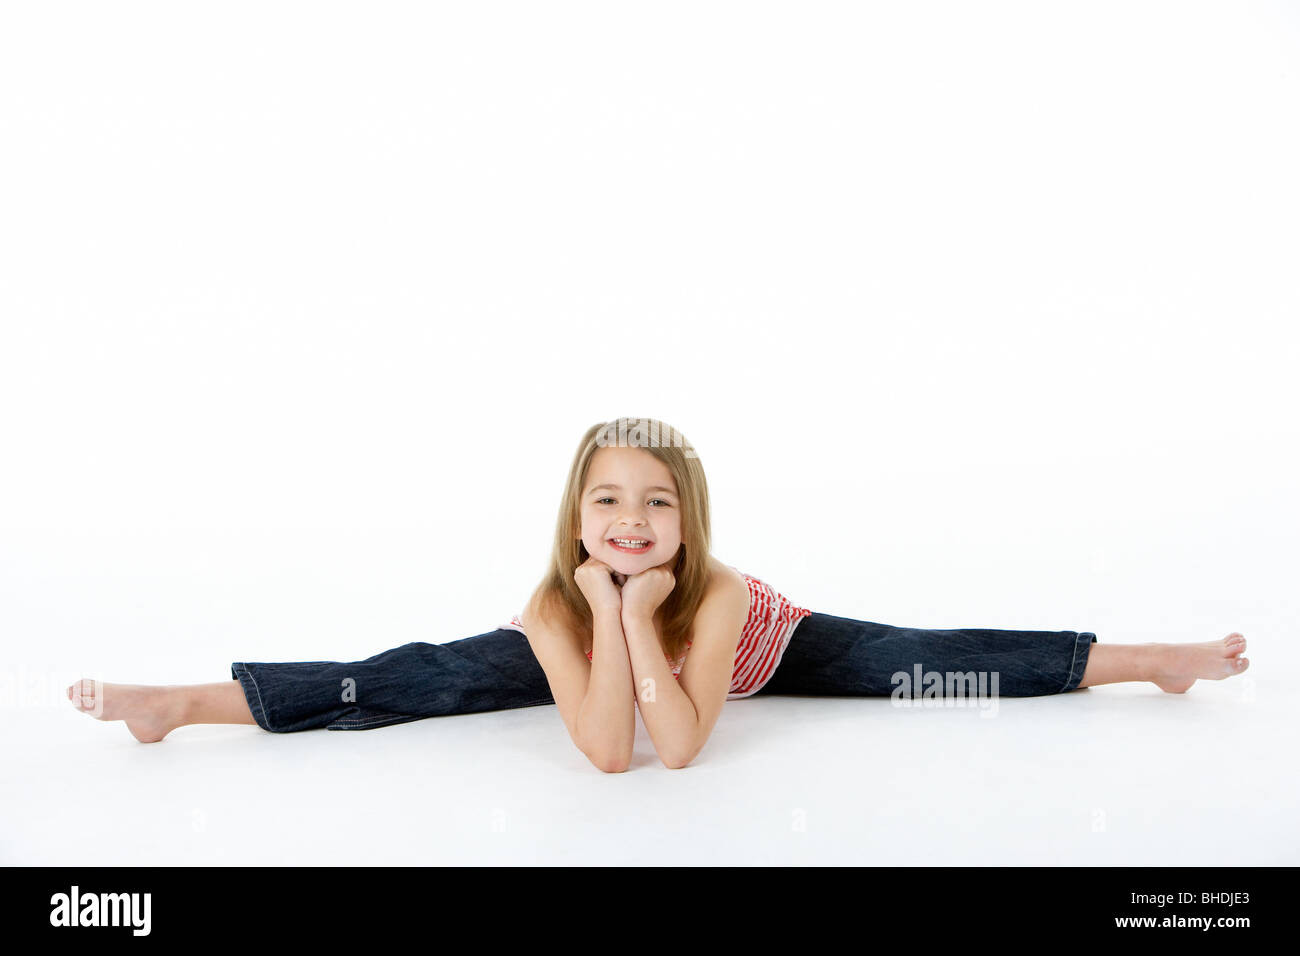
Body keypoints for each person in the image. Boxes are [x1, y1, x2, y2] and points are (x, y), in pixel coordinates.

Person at [67, 416, 1250, 771]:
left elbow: (678, 747)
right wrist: (602, 614)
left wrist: (641, 614)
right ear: (575, 516)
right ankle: (181, 700)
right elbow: (609, 753)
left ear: (689, 521)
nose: (629, 521)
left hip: (762, 653)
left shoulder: (723, 591)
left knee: (929, 661)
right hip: (593, 636)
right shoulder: (551, 606)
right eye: (607, 500)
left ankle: (1145, 659)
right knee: (415, 677)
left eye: (655, 503)